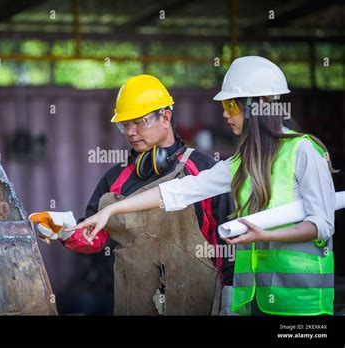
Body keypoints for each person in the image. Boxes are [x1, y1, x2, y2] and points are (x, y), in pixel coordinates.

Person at [70, 57, 337, 316]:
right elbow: (178, 191)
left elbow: (323, 225)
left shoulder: (304, 151)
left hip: (301, 301)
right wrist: (110, 211)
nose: (224, 113)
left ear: (259, 106)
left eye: (232, 106)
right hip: (254, 300)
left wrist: (263, 235)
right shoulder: (243, 162)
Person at [30, 74, 235, 315]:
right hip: (134, 302)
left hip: (197, 302)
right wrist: (64, 229)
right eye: (124, 125)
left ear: (166, 117)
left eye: (139, 122)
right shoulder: (114, 178)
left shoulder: (204, 171)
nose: (130, 132)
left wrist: (229, 297)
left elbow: (225, 240)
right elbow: (95, 239)